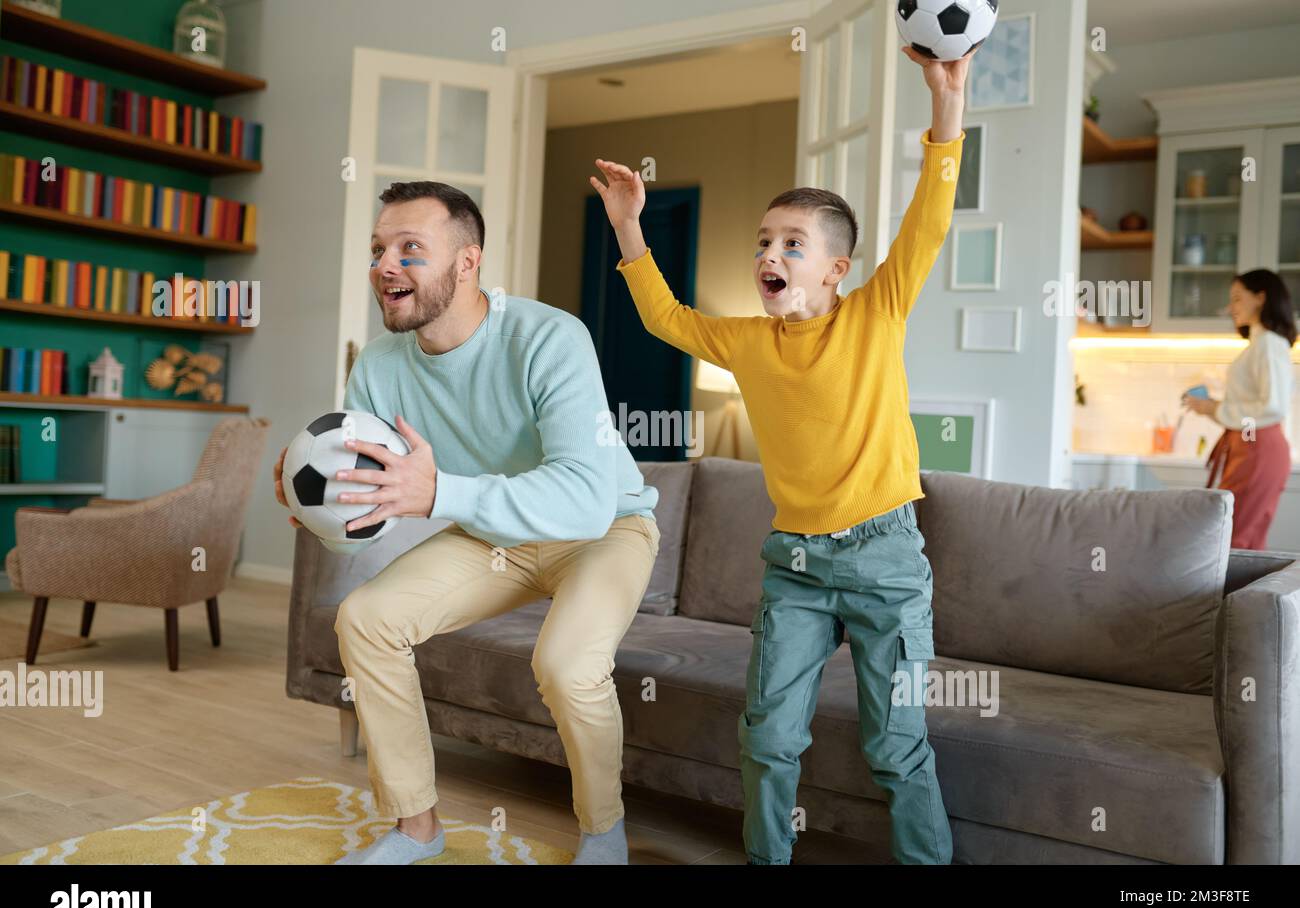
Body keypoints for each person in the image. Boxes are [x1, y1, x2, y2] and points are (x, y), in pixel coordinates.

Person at [589, 46, 971, 864]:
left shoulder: (877, 314)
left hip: (886, 561)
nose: (772, 253)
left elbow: (929, 220)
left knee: (896, 748)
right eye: (766, 239)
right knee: (767, 738)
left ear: (836, 271)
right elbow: (664, 317)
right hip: (795, 565)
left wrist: (947, 101)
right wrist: (628, 224)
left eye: (794, 243)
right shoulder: (748, 342)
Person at [273, 181, 660, 864]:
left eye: (410, 249)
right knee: (366, 617)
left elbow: (585, 499)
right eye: (378, 249)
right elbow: (373, 513)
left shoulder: (549, 338)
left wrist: (440, 491)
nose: (385, 265)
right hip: (497, 539)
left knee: (566, 663)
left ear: (467, 262)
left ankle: (604, 832)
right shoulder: (380, 366)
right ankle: (415, 828)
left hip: (605, 531)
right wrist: (320, 508)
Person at [1184, 269, 1297, 550]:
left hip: (1257, 445)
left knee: (1233, 537)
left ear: (1260, 298)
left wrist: (1215, 408)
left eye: (1236, 299)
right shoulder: (1260, 344)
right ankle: (1235, 595)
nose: (1230, 308)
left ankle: (1227, 596)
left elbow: (1272, 405)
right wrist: (1212, 409)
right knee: (1241, 536)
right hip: (1251, 444)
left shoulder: (1269, 344)